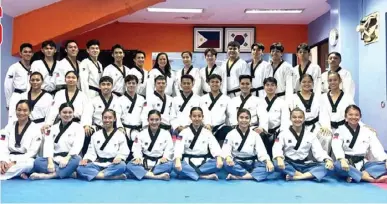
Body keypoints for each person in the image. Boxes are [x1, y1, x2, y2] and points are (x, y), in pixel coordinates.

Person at [272, 108, 334, 182]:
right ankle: (305, 175)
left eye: (300, 117)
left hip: (304, 164)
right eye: (294, 117)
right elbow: (276, 147)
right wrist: (279, 158)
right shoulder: (283, 134)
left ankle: (298, 176)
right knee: (276, 163)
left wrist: (327, 160)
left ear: (304, 119)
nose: (297, 119)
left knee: (325, 166)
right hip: (289, 163)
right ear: (290, 119)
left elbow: (319, 151)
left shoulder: (311, 135)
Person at [332, 105, 387, 183]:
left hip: (363, 163)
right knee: (337, 165)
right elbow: (336, 146)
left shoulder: (367, 131)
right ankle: (369, 178)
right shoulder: (339, 130)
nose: (353, 117)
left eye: (356, 115)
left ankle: (356, 175)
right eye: (350, 114)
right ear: (345, 116)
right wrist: (342, 159)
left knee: (383, 165)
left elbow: (376, 147)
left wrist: (385, 159)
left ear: (360, 116)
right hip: (347, 163)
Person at [30, 103, 84, 180]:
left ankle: (51, 175)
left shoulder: (78, 127)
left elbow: (78, 145)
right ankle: (68, 173)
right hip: (55, 159)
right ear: (59, 114)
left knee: (77, 159)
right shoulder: (52, 128)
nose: (67, 115)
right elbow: (48, 145)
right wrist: (50, 162)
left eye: (70, 112)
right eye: (64, 112)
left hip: (70, 158)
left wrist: (67, 158)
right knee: (38, 162)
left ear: (73, 114)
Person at [222, 109, 277, 181]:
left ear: (250, 120)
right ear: (237, 119)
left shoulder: (255, 135)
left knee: (269, 167)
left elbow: (261, 151)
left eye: (247, 118)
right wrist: (228, 158)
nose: (244, 120)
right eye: (241, 117)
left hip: (252, 163)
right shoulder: (231, 134)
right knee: (226, 164)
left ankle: (240, 176)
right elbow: (226, 150)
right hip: (237, 162)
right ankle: (251, 175)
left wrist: (268, 161)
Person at [77, 109, 129, 181]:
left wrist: (119, 158)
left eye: (110, 118)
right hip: (98, 163)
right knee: (80, 168)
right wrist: (86, 159)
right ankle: (110, 177)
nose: (107, 120)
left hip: (113, 164)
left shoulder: (120, 135)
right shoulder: (96, 135)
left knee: (122, 166)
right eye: (105, 118)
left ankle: (97, 175)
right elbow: (91, 151)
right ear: (102, 119)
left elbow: (124, 150)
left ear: (114, 119)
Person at [174, 107, 223, 180]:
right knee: (174, 165)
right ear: (190, 117)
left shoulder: (207, 132)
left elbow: (215, 146)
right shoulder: (183, 132)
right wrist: (177, 160)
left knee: (220, 163)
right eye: (194, 116)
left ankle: (190, 174)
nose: (197, 119)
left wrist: (219, 158)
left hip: (204, 161)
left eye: (199, 116)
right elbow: (178, 147)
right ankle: (202, 176)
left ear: (202, 117)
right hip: (188, 160)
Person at [0, 100, 42, 180]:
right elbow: (2, 144)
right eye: (19, 110)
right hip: (8, 157)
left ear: (30, 112)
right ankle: (16, 173)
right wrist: (3, 160)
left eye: (25, 110)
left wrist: (15, 162)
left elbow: (33, 152)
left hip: (24, 159)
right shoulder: (9, 126)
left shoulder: (35, 128)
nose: (21, 113)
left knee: (30, 164)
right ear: (15, 111)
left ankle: (3, 174)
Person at [81, 76, 123, 156]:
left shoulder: (118, 100)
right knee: (86, 133)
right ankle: (86, 157)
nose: (106, 87)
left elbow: (119, 115)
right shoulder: (94, 100)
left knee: (123, 134)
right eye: (103, 84)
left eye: (108, 84)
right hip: (98, 127)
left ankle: (120, 157)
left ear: (112, 86)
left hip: (113, 127)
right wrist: (87, 125)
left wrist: (120, 126)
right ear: (100, 86)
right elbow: (87, 113)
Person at [126, 110, 173, 180]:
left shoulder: (166, 134)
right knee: (130, 165)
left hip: (160, 162)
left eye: (157, 120)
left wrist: (165, 157)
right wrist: (138, 157)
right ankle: (156, 176)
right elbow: (136, 148)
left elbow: (169, 148)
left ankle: (144, 174)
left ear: (160, 120)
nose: (154, 122)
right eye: (151, 120)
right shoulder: (141, 133)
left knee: (170, 165)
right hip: (144, 161)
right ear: (148, 120)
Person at [319, 71, 355, 153]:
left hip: (343, 126)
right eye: (330, 80)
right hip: (328, 127)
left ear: (340, 80)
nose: (332, 82)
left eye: (335, 80)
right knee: (324, 138)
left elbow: (353, 113)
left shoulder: (347, 97)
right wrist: (326, 127)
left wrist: (363, 126)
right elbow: (322, 114)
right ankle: (325, 161)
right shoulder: (323, 97)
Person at [259, 77, 290, 157]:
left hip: (277, 132)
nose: (270, 87)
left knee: (276, 153)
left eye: (272, 85)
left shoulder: (282, 102)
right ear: (264, 87)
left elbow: (285, 120)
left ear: (276, 87)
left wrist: (281, 132)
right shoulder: (259, 102)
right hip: (263, 132)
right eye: (267, 85)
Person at [200, 74, 232, 144]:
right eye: (212, 82)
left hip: (220, 127)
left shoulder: (226, 99)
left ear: (220, 83)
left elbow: (231, 114)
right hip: (205, 127)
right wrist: (206, 124)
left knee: (230, 131)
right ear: (208, 83)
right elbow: (199, 114)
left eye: (217, 82)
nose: (215, 84)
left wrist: (235, 125)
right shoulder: (202, 99)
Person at [118, 75, 145, 152]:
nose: (131, 85)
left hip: (139, 129)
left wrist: (145, 127)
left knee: (138, 152)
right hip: (125, 130)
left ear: (137, 84)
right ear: (125, 84)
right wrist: (120, 127)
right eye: (129, 83)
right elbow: (117, 115)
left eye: (133, 83)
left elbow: (144, 114)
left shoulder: (141, 99)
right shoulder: (120, 100)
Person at [4, 43, 33, 109]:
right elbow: (8, 85)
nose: (27, 54)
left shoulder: (34, 67)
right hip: (18, 96)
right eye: (25, 52)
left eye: (29, 52)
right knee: (15, 118)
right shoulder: (14, 67)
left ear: (32, 54)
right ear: (20, 53)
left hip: (30, 96)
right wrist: (8, 102)